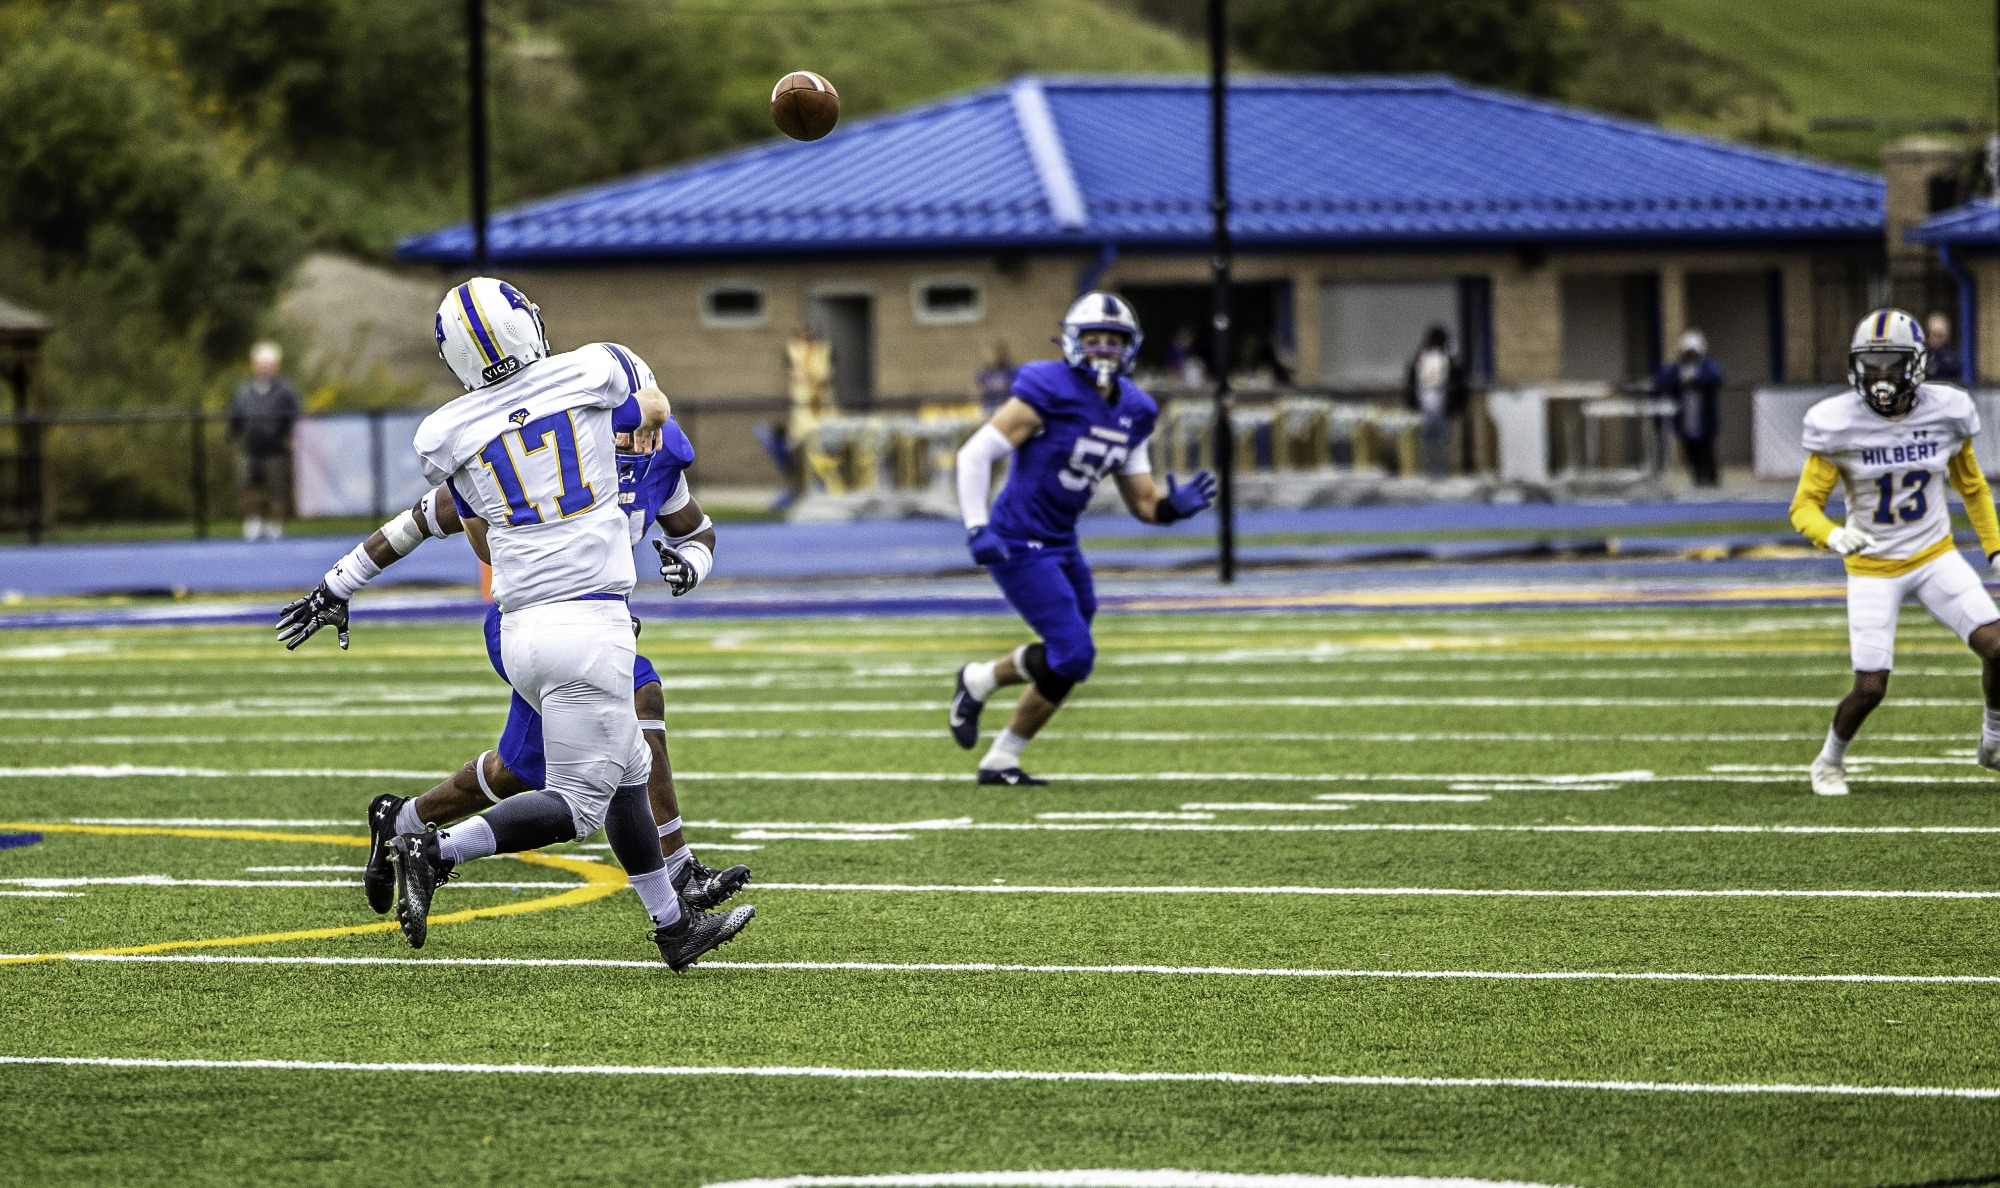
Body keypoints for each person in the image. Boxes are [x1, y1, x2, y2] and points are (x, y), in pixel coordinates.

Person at [274, 277, 752, 968]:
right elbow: (642, 391)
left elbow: (442, 519)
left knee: (618, 768)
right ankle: (435, 847)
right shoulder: (594, 371)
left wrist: (337, 583)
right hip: (585, 619)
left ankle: (673, 924)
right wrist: (644, 411)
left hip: (528, 620)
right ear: (529, 325)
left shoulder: (454, 434)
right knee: (579, 802)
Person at [945, 292, 1217, 784]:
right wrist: (976, 527)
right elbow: (974, 455)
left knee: (1066, 650)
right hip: (1015, 538)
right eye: (1094, 339)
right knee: (1073, 653)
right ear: (1072, 341)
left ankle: (987, 709)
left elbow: (1143, 501)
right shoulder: (1047, 388)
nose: (1104, 350)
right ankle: (1002, 744)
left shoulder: (1135, 408)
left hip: (1061, 542)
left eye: (1114, 341)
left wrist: (1171, 509)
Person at [1791, 308, 2000, 797]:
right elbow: (1804, 506)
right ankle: (1828, 761)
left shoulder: (1946, 412)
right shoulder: (1836, 422)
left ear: (1918, 363)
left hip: (1933, 555)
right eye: (1872, 364)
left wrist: (1995, 549)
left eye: (1892, 363)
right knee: (1871, 688)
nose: (1881, 376)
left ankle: (1994, 740)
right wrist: (1831, 534)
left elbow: (1972, 488)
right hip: (1872, 567)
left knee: (1999, 646)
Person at [227, 342, 302, 541]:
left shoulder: (285, 390)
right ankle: (254, 522)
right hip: (250, 447)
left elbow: (297, 416)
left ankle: (276, 526)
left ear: (276, 366)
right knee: (245, 485)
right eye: (261, 363)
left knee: (277, 489)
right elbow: (236, 416)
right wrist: (230, 438)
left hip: (276, 449)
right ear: (254, 365)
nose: (265, 368)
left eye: (269, 364)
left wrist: (292, 437)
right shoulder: (245, 390)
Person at [1655, 330, 1725, 487]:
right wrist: (1679, 381)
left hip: (1703, 416)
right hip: (1686, 415)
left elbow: (1717, 377)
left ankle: (1712, 479)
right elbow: (1662, 378)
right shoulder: (1678, 367)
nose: (1690, 355)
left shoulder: (1706, 365)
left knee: (1707, 447)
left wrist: (1695, 380)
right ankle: (1697, 477)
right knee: (1690, 449)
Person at [1404, 325, 1466, 480]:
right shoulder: (1422, 359)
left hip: (1441, 410)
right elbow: (1412, 386)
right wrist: (1413, 405)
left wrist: (1454, 405)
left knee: (1441, 447)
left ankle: (1440, 476)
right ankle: (1430, 476)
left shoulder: (1447, 361)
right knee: (1428, 447)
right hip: (1426, 410)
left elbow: (1457, 385)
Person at [975, 342, 1016, 415]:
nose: (995, 356)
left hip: (1006, 407)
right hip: (989, 407)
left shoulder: (1011, 371)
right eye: (992, 354)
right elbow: (978, 390)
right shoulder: (984, 372)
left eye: (998, 353)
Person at [1926, 312, 1963, 383]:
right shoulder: (1923, 355)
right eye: (1933, 334)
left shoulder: (1953, 356)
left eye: (1939, 335)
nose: (1936, 338)